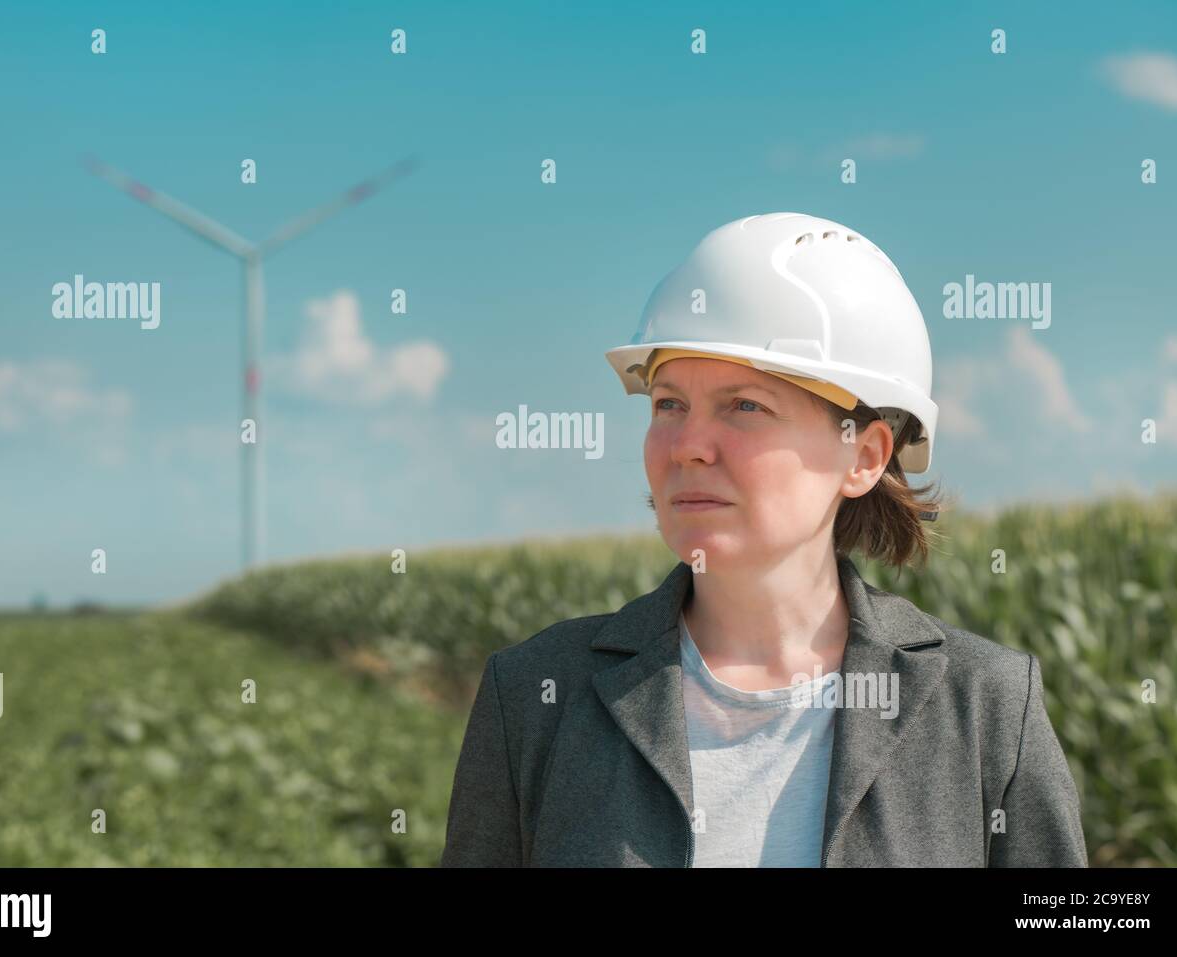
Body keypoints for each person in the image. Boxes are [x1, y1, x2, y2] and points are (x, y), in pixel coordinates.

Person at [440, 212, 1088, 867]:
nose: (687, 445)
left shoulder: (986, 704)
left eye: (745, 405)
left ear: (863, 455)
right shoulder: (532, 694)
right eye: (668, 404)